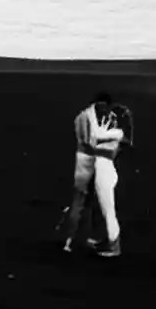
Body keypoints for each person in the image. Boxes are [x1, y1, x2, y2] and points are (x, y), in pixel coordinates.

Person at [59, 92, 134, 257]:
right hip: (103, 169)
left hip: (104, 171)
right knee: (101, 209)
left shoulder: (114, 133)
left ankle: (114, 246)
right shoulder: (115, 133)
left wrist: (93, 118)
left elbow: (95, 135)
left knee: (108, 211)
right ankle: (106, 240)